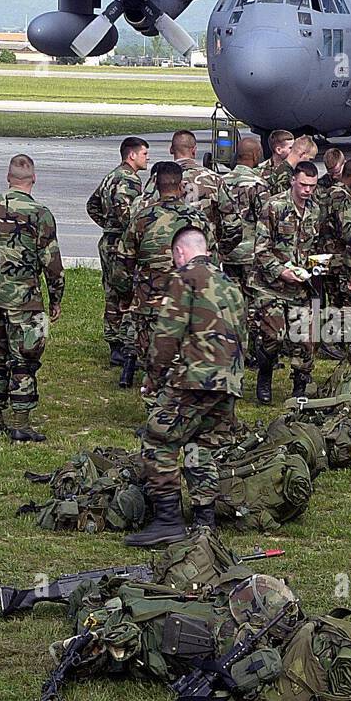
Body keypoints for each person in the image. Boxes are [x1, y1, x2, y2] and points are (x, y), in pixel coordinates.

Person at [125, 226, 244, 547]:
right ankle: (204, 523)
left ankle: (168, 521)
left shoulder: (184, 278)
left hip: (196, 376)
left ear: (179, 253)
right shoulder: (229, 284)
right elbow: (242, 332)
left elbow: (167, 334)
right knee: (199, 445)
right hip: (228, 380)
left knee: (158, 437)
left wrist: (153, 377)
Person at [0, 153, 64, 442]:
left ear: (8, 177)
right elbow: (52, 262)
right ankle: (20, 424)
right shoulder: (40, 214)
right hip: (24, 300)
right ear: (33, 179)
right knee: (24, 361)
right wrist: (56, 298)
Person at [114, 162, 206, 401]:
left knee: (153, 361)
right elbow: (210, 262)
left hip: (149, 303)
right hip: (188, 303)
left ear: (155, 184)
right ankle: (181, 410)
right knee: (185, 358)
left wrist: (125, 297)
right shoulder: (197, 219)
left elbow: (123, 264)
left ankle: (156, 413)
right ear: (182, 185)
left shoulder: (142, 218)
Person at [251, 160, 321, 403]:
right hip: (271, 286)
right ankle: (265, 373)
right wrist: (280, 272)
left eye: (312, 186)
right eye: (303, 185)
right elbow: (260, 249)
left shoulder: (314, 210)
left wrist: (316, 266)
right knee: (273, 336)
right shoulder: (274, 206)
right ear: (293, 180)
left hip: (300, 287)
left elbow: (312, 247)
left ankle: (300, 386)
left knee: (307, 339)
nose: (307, 190)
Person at [85, 136, 149, 365]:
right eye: (144, 154)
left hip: (108, 241)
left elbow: (92, 205)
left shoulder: (111, 175)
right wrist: (127, 231)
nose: (147, 158)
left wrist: (107, 225)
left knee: (111, 292)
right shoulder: (129, 180)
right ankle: (124, 343)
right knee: (126, 293)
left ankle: (114, 342)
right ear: (132, 155)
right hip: (121, 245)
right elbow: (127, 214)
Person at [168, 129, 241, 259]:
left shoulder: (159, 180)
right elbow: (234, 224)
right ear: (194, 150)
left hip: (173, 257)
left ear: (171, 150)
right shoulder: (214, 179)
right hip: (206, 256)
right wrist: (217, 252)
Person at [318, 157, 351, 314]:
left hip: (324, 255)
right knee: (345, 304)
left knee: (333, 301)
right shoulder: (343, 196)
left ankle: (330, 335)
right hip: (339, 260)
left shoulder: (328, 192)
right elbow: (348, 232)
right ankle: (340, 337)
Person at [220, 134, 269, 294]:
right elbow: (266, 220)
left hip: (228, 253)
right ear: (256, 155)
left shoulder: (222, 181)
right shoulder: (258, 183)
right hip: (250, 254)